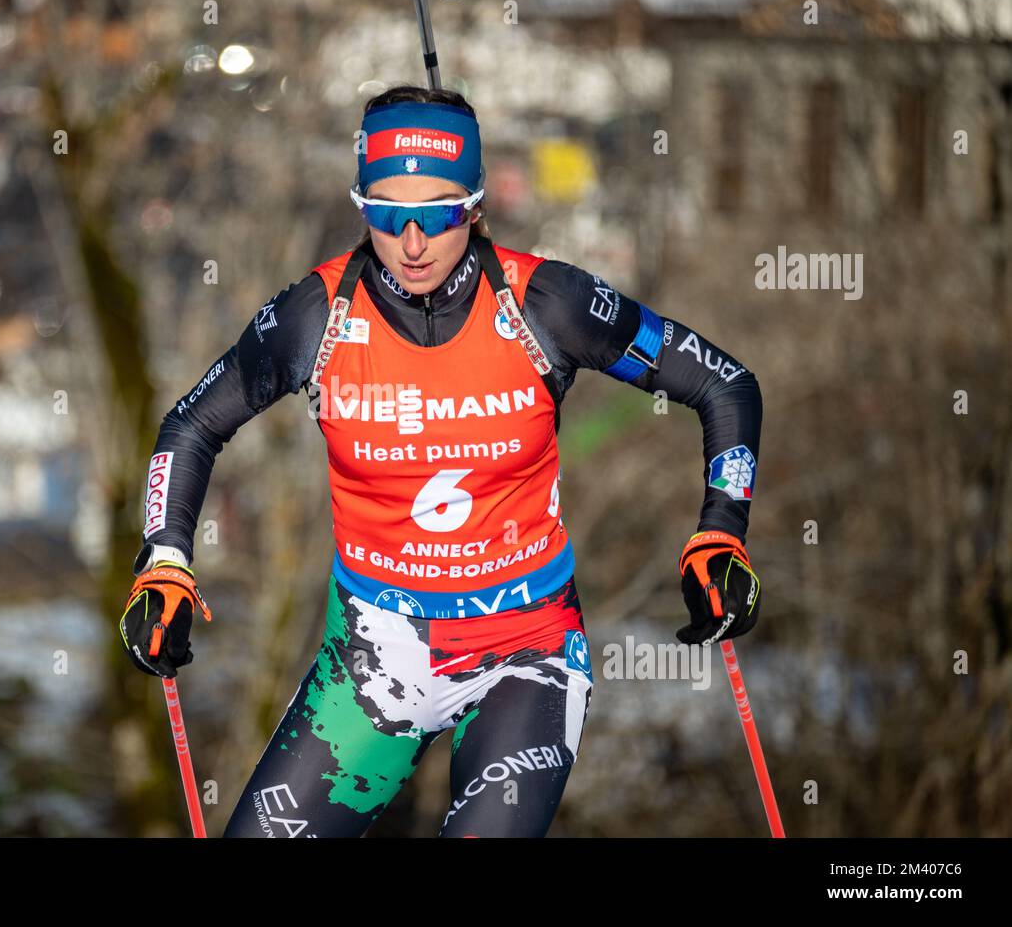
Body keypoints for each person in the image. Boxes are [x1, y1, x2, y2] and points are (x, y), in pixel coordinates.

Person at [118, 85, 763, 838]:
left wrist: (722, 530)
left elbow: (724, 384)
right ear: (361, 206)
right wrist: (165, 558)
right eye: (386, 213)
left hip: (526, 653)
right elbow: (192, 425)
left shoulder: (544, 304)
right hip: (372, 662)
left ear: (477, 206)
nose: (413, 240)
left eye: (441, 212)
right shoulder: (316, 318)